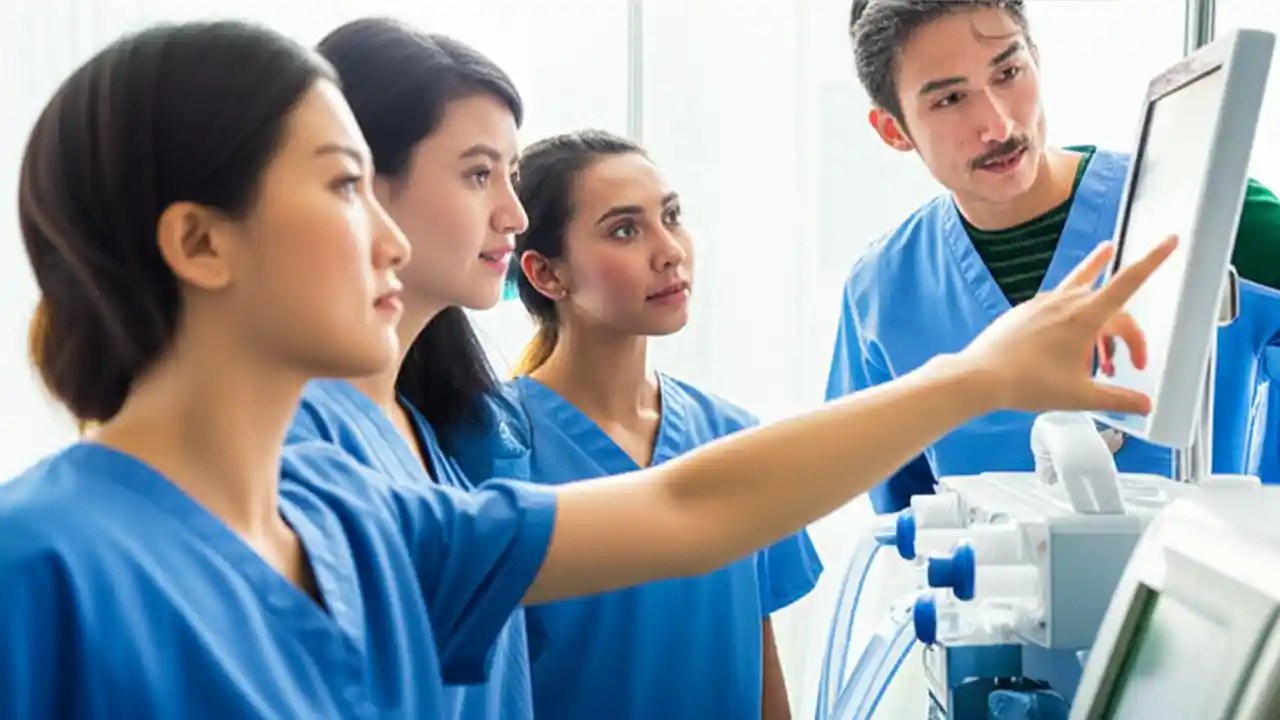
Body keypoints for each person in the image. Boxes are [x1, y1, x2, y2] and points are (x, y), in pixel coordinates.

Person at [0, 18, 1179, 720]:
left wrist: (980, 375)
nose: (394, 239)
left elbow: (689, 505)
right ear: (199, 240)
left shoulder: (361, 519)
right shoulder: (45, 567)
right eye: (344, 185)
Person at [830, 0, 1280, 514]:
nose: (998, 126)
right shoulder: (881, 294)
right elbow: (901, 530)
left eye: (1008, 72)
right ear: (893, 130)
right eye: (951, 99)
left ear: (1035, 60)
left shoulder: (1216, 211)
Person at [444, 129, 822, 720]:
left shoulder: (736, 438)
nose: (669, 249)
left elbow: (762, 669)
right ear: (545, 275)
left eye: (671, 216)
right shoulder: (483, 449)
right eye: (625, 229)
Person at [284, 19, 536, 720]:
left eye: (510, 176)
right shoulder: (297, 439)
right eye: (479, 174)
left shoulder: (438, 439)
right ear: (355, 182)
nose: (515, 214)